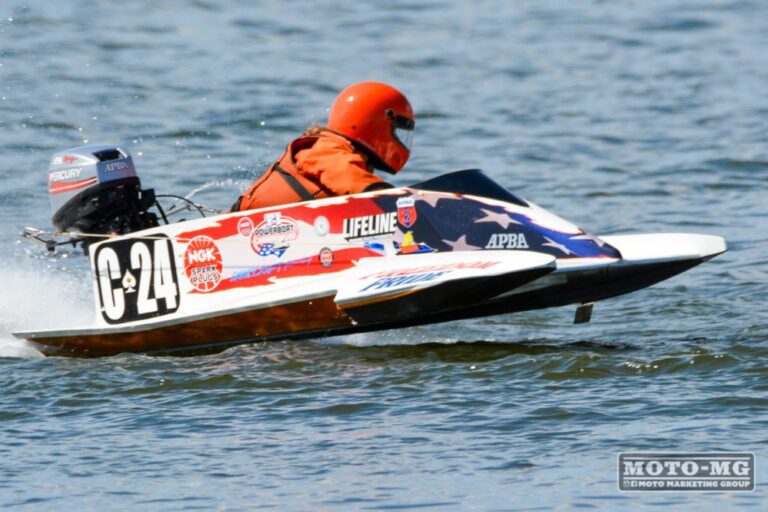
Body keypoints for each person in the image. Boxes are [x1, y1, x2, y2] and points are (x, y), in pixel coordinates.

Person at [231, 81, 415, 211]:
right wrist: (403, 202)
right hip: (236, 239)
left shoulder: (337, 150)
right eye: (398, 130)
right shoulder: (326, 148)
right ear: (376, 125)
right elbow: (350, 179)